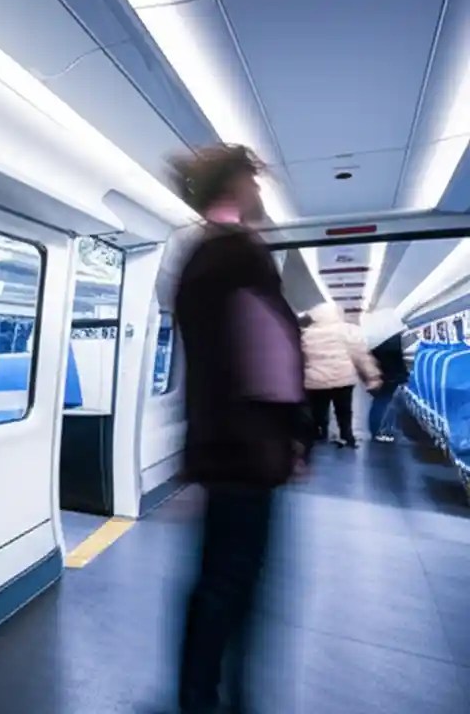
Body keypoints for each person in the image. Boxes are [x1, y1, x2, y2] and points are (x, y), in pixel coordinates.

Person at [168, 144, 307, 714]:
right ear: (235, 185)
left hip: (214, 446)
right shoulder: (242, 256)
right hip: (251, 449)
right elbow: (273, 359)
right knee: (237, 584)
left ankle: (201, 693)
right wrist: (297, 433)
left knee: (214, 583)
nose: (259, 194)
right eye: (254, 183)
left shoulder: (194, 258)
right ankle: (217, 698)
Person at [301, 302, 380, 448]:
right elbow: (360, 355)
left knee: (319, 410)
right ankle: (347, 436)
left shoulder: (307, 334)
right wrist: (372, 376)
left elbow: (301, 358)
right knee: (344, 410)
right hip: (343, 379)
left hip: (315, 380)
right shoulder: (347, 331)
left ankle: (319, 433)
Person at [368, 329, 408, 442]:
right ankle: (382, 431)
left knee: (379, 403)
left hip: (381, 374)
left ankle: (376, 430)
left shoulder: (376, 339)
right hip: (391, 376)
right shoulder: (394, 340)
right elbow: (398, 359)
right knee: (387, 404)